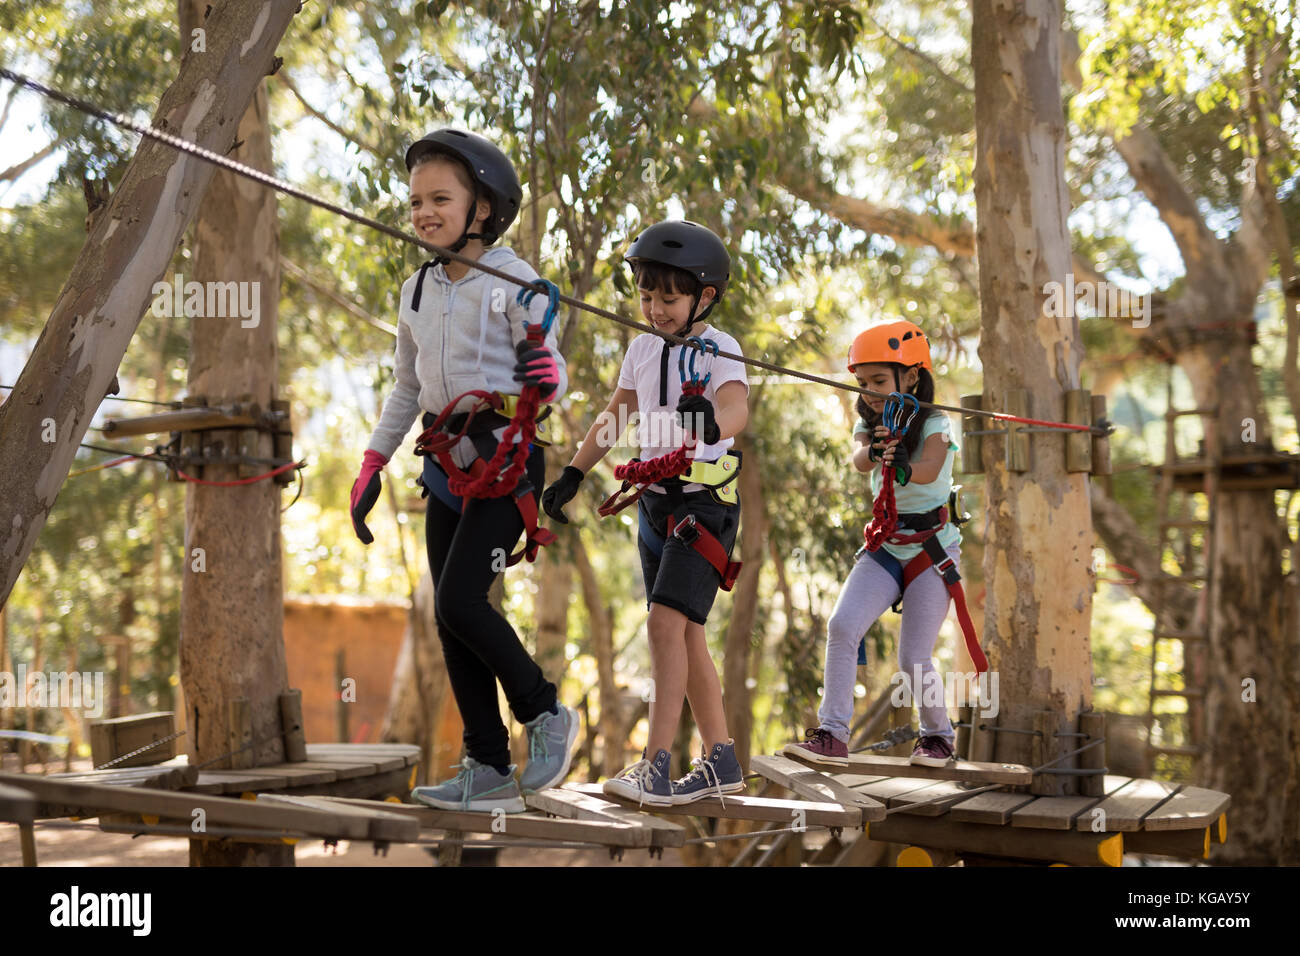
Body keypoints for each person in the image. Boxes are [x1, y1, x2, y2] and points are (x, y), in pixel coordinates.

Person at [349, 129, 577, 812]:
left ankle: (544, 712)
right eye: (416, 200)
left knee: (459, 601)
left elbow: (548, 363)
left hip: (508, 459)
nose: (423, 211)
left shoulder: (514, 279)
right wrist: (371, 462)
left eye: (440, 198)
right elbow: (406, 390)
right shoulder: (414, 291)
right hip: (446, 468)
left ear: (480, 208)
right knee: (448, 619)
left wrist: (547, 371)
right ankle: (486, 765)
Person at [541, 220, 749, 805]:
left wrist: (712, 422)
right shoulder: (641, 347)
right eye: (646, 295)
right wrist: (574, 472)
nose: (655, 308)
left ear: (704, 297)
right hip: (654, 508)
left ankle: (656, 764)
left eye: (669, 297)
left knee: (663, 627)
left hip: (705, 509)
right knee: (688, 638)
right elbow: (616, 415)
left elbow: (736, 408)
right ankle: (721, 759)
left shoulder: (721, 349)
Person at [786, 320, 965, 768]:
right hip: (886, 545)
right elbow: (857, 459)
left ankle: (938, 738)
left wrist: (905, 463)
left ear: (911, 376)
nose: (869, 391)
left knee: (913, 656)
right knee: (843, 627)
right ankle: (832, 734)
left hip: (931, 550)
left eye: (879, 381)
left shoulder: (937, 422)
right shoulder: (870, 420)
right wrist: (875, 450)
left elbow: (929, 469)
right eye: (863, 382)